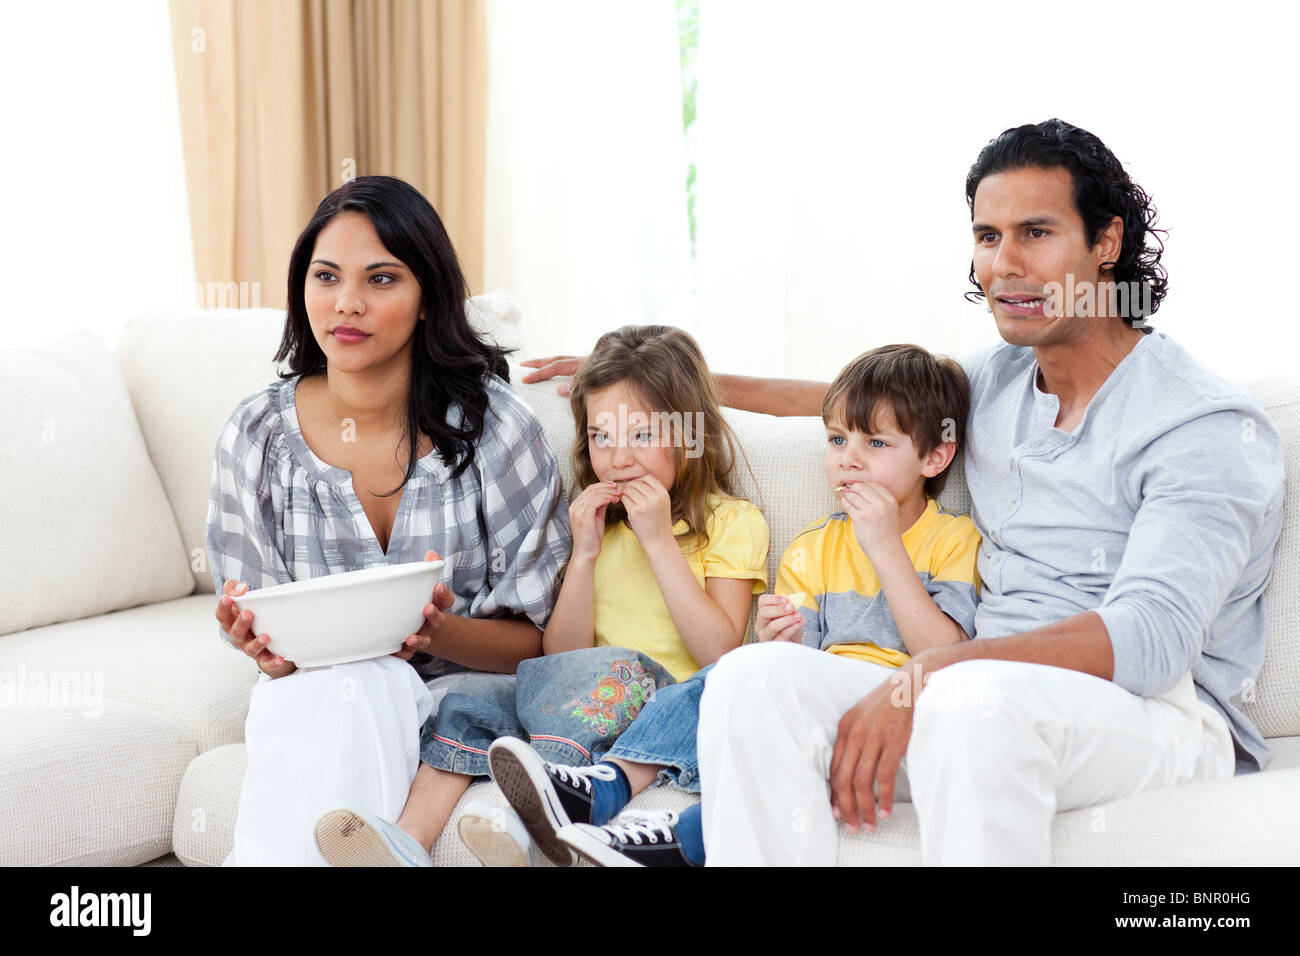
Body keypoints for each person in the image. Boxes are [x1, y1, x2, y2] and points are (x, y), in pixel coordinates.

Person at [520, 118, 1286, 866]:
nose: (1004, 264)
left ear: (1106, 242)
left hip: (1154, 718)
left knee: (970, 708)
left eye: (1037, 233)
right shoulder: (999, 380)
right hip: (984, 691)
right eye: (988, 236)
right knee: (753, 678)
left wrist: (940, 671)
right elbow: (853, 405)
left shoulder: (1201, 425)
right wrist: (661, 384)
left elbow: (1150, 642)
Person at [491, 344, 978, 866]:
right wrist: (777, 638)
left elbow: (944, 654)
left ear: (935, 456)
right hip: (819, 715)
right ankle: (618, 797)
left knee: (727, 671)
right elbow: (794, 667)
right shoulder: (811, 547)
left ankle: (666, 830)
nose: (848, 459)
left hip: (904, 715)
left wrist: (884, 548)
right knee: (733, 675)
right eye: (836, 439)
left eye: (875, 442)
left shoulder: (954, 539)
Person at [207, 175, 571, 866]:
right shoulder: (254, 436)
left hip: (467, 700)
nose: (347, 303)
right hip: (317, 696)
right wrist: (258, 645)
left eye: (381, 279)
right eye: (326, 277)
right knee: (337, 691)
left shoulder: (502, 434)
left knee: (362, 685)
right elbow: (274, 649)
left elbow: (544, 645)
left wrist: (437, 631)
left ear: (429, 297)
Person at [443, 324, 770, 867]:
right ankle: (407, 836)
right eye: (601, 436)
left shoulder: (732, 521)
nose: (618, 459)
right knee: (472, 697)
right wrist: (587, 555)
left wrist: (661, 541)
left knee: (635, 674)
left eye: (641, 435)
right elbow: (560, 656)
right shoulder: (596, 528)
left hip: (661, 703)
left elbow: (720, 653)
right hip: (582, 695)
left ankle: (543, 819)